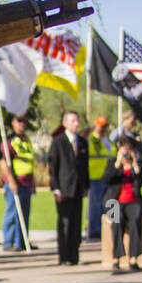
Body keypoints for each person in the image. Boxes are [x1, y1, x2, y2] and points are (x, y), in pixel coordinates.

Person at [101, 135, 142, 272]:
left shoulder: (138, 164)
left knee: (136, 220)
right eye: (125, 150)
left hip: (133, 200)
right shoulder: (112, 162)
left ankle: (133, 258)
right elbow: (106, 179)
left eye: (129, 150)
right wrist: (118, 164)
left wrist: (135, 166)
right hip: (113, 201)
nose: (127, 153)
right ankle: (116, 258)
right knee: (116, 220)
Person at [48, 110, 89, 265]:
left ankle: (74, 255)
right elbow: (53, 167)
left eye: (77, 120)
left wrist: (86, 186)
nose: (76, 124)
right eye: (73, 121)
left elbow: (85, 167)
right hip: (64, 189)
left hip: (78, 189)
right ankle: (64, 256)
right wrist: (55, 188)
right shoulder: (58, 142)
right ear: (65, 123)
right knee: (65, 223)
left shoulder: (83, 142)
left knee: (76, 223)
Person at [0, 113, 37, 251]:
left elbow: (29, 160)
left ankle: (21, 240)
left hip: (27, 182)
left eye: (24, 121)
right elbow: (3, 162)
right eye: (19, 121)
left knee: (25, 213)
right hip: (15, 182)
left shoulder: (25, 139)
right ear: (13, 122)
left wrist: (33, 182)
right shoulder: (10, 139)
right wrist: (10, 180)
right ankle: (9, 241)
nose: (22, 124)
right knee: (12, 212)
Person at [85, 116, 113, 240]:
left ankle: (110, 228)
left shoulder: (108, 140)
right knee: (95, 205)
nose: (103, 129)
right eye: (101, 126)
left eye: (105, 126)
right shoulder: (93, 139)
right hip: (96, 176)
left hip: (109, 177)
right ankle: (94, 230)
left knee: (111, 203)